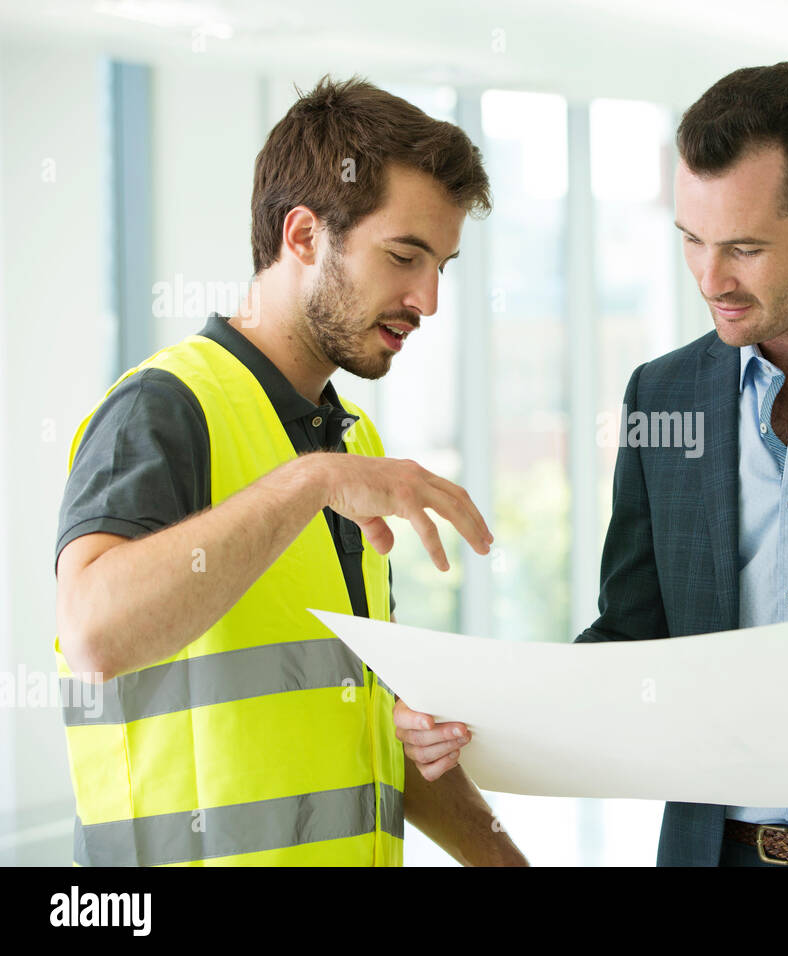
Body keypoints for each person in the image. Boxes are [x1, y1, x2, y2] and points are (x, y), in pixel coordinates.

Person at [399, 61, 788, 866]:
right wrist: (474, 716)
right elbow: (633, 637)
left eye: (745, 248)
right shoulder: (663, 396)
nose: (710, 279)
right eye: (691, 240)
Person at [55, 76, 525, 866]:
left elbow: (341, 721)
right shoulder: (164, 408)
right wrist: (310, 483)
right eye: (405, 256)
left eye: (441, 264)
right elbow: (94, 634)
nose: (428, 299)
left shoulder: (354, 438)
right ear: (303, 235)